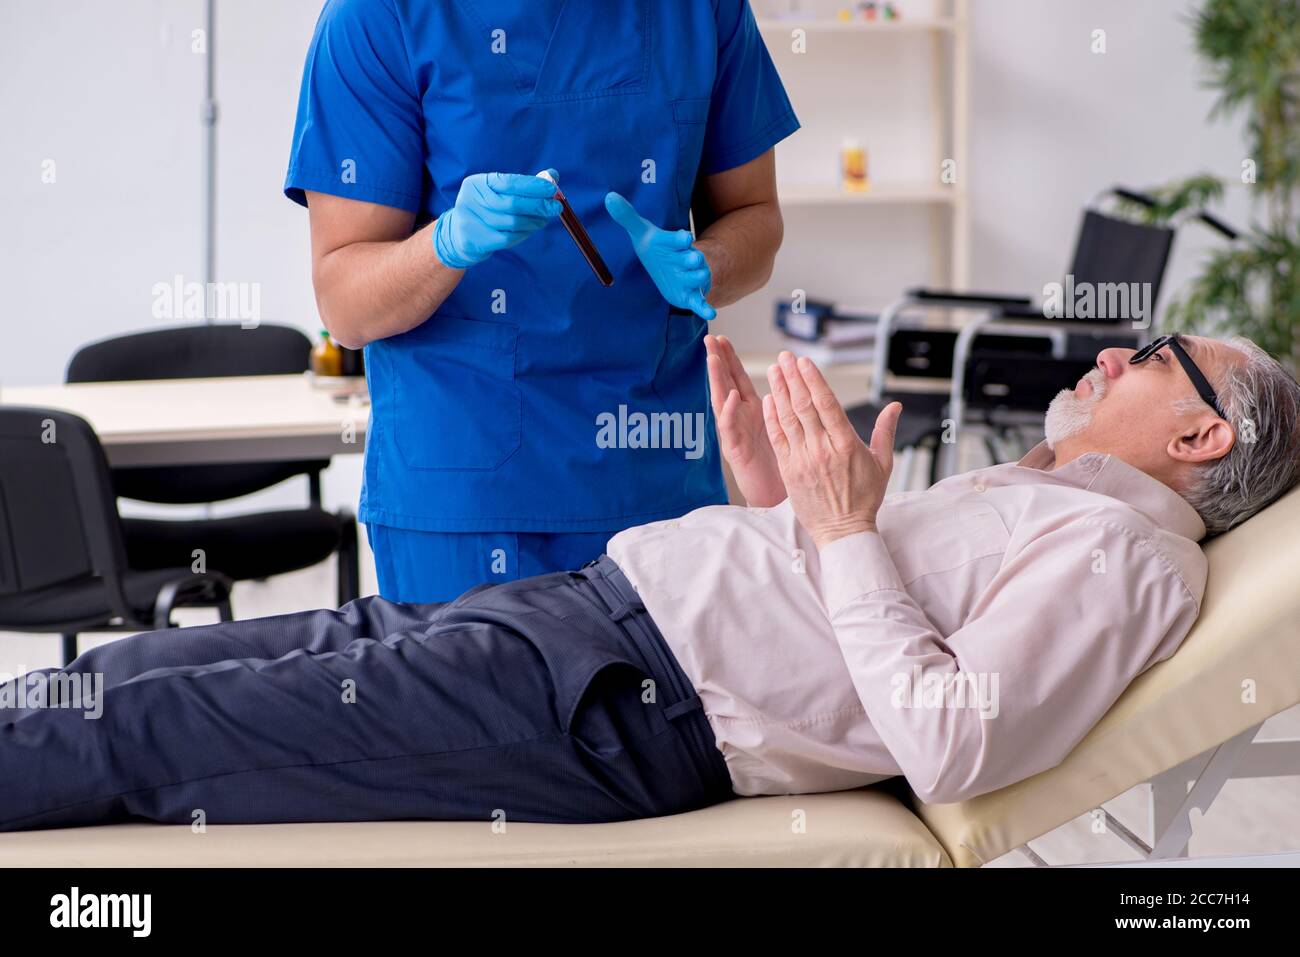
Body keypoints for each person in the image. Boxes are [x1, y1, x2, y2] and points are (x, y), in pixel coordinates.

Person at [3, 334, 1299, 830]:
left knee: (164, 726)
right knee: (158, 667)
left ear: (1201, 438)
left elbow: (952, 738)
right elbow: (857, 632)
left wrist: (844, 528)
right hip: (595, 622)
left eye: (1160, 357)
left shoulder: (1129, 556)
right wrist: (781, 507)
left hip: (625, 700)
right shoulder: (1063, 503)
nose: (1117, 351)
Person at [285, 0, 798, 601]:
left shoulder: (701, 12)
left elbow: (755, 219)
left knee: (673, 696)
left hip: (657, 472)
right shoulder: (377, 17)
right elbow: (345, 306)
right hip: (470, 494)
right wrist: (445, 245)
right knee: (476, 695)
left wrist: (707, 264)